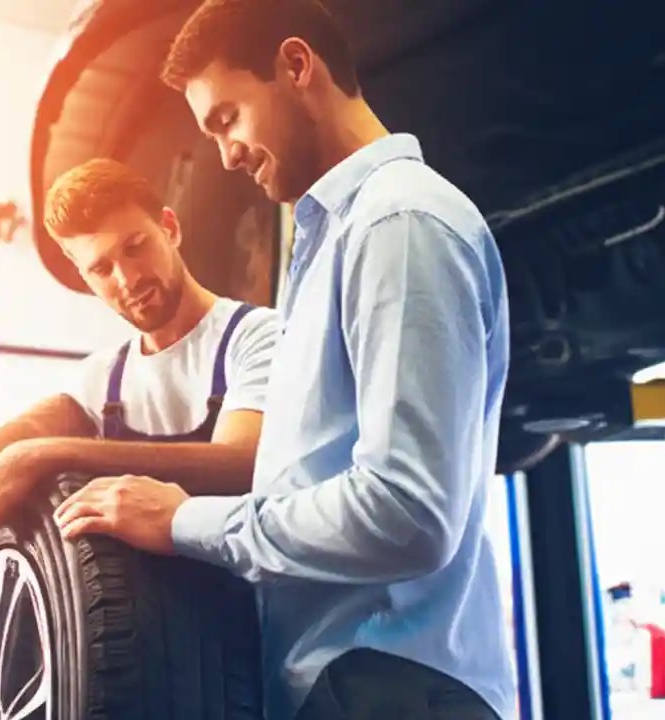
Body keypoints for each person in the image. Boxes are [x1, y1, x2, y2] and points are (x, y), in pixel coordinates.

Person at [52, 1, 515, 719]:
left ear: (297, 66)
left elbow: (407, 513)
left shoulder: (398, 224)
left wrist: (186, 522)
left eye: (227, 119)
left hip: (389, 687)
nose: (226, 154)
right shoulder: (330, 241)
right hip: (348, 687)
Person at [0, 157, 280, 559]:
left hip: (251, 627)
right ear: (84, 277)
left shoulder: (256, 336)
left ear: (170, 228)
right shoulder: (105, 381)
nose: (127, 278)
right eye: (101, 268)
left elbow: (242, 462)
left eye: (136, 246)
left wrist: (47, 455)